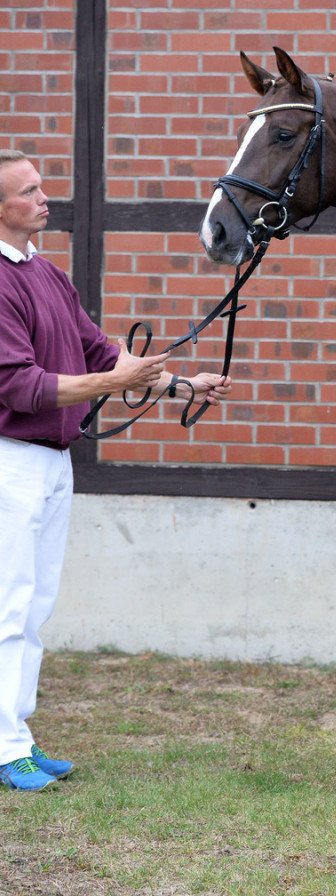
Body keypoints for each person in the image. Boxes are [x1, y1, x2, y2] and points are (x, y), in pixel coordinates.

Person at [0, 149, 232, 791]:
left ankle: (15, 734)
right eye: (30, 190)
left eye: (41, 186)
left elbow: (102, 351)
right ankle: (4, 747)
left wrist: (183, 386)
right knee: (8, 608)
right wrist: (116, 377)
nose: (45, 198)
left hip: (51, 462)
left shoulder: (46, 275)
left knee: (34, 606)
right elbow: (22, 387)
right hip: (10, 463)